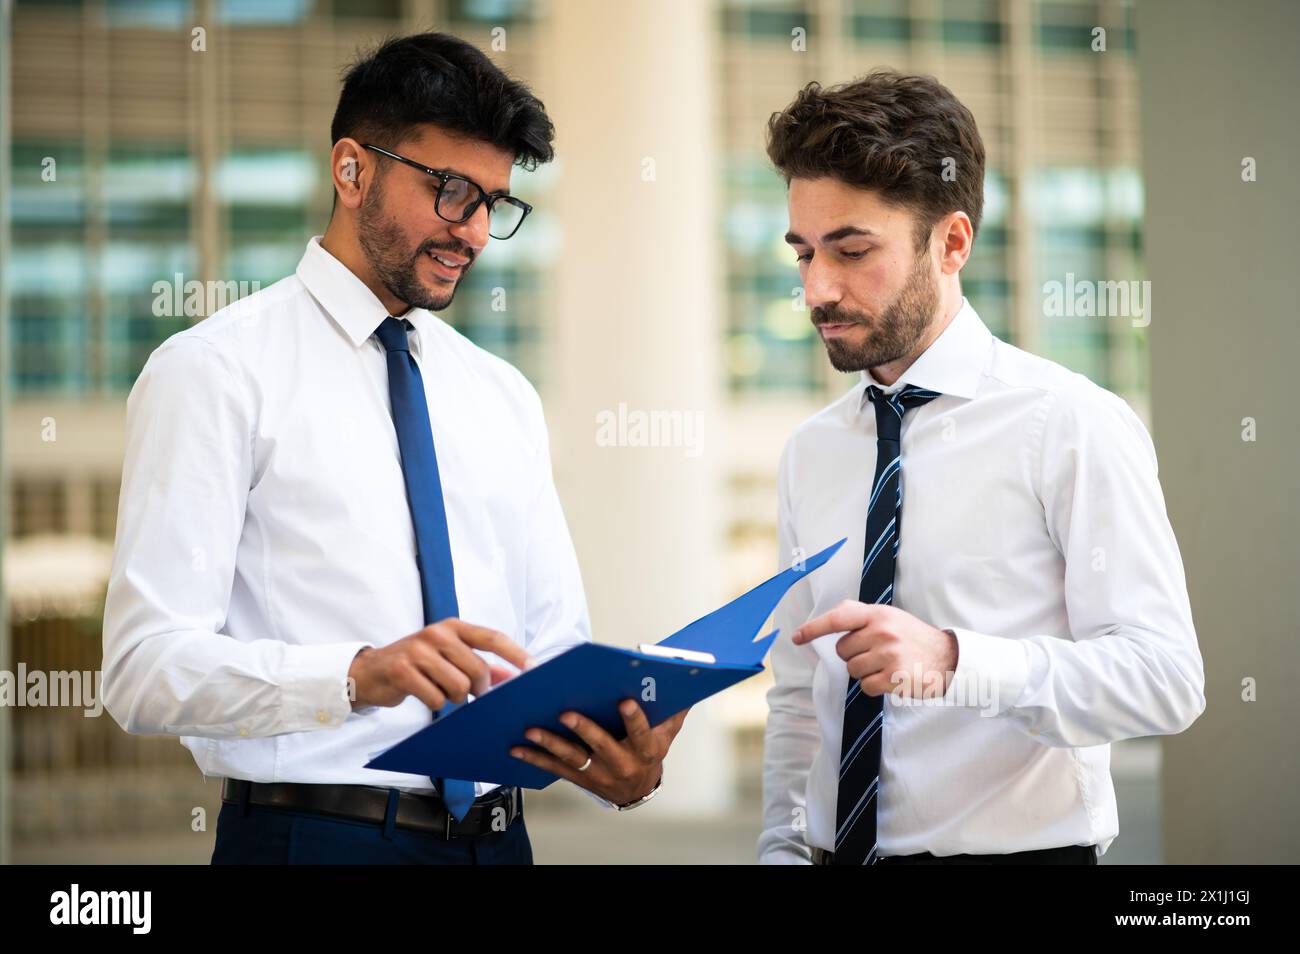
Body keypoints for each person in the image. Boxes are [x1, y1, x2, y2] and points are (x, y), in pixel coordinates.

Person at [102, 32, 685, 866]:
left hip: (501, 842)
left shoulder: (502, 395)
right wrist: (355, 675)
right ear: (352, 171)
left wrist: (610, 757)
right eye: (451, 191)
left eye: (493, 203)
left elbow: (547, 651)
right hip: (315, 842)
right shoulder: (215, 372)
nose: (473, 232)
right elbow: (142, 669)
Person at [757, 70, 1205, 866]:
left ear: (953, 242)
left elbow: (1165, 679)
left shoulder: (1068, 423)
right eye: (804, 253)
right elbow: (801, 690)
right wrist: (784, 850)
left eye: (853, 251)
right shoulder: (812, 450)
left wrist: (957, 661)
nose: (818, 289)